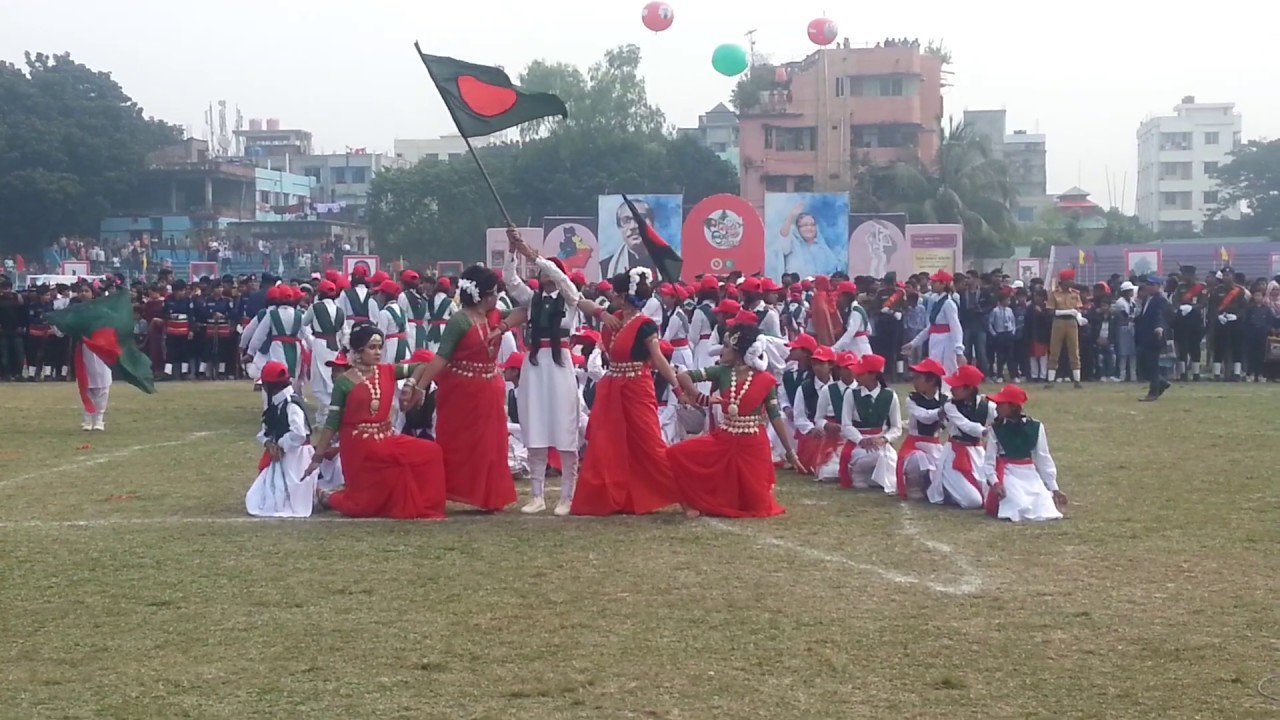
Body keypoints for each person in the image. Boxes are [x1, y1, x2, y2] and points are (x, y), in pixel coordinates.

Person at [506, 231, 620, 515]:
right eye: (541, 271)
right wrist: (512, 252)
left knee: (565, 428)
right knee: (535, 427)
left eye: (549, 270)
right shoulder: (532, 300)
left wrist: (534, 256)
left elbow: (564, 280)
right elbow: (510, 281)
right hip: (535, 366)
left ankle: (567, 496)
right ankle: (536, 496)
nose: (544, 275)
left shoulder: (570, 298)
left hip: (560, 365)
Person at [571, 267, 687, 516]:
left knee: (649, 442)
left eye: (614, 293)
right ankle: (616, 495)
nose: (611, 296)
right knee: (607, 442)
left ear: (624, 296)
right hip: (613, 387)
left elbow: (658, 359)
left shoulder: (644, 325)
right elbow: (581, 303)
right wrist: (602, 314)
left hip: (636, 387)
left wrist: (677, 388)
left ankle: (683, 497)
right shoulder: (614, 315)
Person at [401, 265, 517, 512]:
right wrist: (420, 387)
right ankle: (457, 490)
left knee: (491, 444)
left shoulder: (494, 316)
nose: (497, 297)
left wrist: (503, 328)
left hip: (489, 389)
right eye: (494, 293)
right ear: (483, 295)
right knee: (460, 443)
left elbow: (523, 312)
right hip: (462, 391)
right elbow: (441, 358)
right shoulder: (459, 320)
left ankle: (488, 496)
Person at [305, 325, 447, 519]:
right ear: (358, 351)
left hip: (385, 438)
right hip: (359, 446)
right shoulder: (345, 382)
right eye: (372, 347)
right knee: (362, 507)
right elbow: (333, 421)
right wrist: (317, 456)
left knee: (431, 452)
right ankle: (327, 497)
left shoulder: (386, 371)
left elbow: (422, 366)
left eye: (380, 347)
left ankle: (424, 504)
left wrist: (410, 385)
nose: (378, 352)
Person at [669, 321, 803, 518]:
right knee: (675, 453)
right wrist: (701, 397)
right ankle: (688, 503)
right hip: (725, 438)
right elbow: (683, 377)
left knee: (757, 506)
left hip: (752, 445)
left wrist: (791, 453)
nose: (722, 351)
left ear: (739, 351)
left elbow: (775, 416)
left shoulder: (765, 380)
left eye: (726, 347)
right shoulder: (723, 372)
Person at [981, 384, 1067, 523]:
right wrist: (995, 482)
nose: (996, 407)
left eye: (1000, 404)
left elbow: (1043, 458)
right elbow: (989, 462)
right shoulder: (995, 430)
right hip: (1008, 473)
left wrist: (1054, 488)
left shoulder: (1036, 427)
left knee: (1043, 504)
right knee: (1018, 504)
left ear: (1012, 406)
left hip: (1029, 473)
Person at [246, 361, 316, 518]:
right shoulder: (275, 405)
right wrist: (269, 444)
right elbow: (264, 432)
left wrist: (281, 445)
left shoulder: (291, 404)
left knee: (285, 499)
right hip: (281, 456)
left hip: (297, 456)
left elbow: (299, 434)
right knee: (259, 496)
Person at [932, 364, 993, 509]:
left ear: (969, 389)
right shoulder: (950, 406)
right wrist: (985, 431)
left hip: (977, 454)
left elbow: (1001, 419)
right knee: (973, 502)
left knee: (989, 495)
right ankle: (946, 487)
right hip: (954, 454)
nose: (952, 389)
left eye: (956, 386)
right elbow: (964, 425)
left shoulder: (987, 406)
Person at [840, 353, 901, 493]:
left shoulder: (890, 395)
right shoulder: (851, 394)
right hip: (857, 442)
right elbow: (846, 425)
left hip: (879, 442)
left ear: (873, 375)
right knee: (872, 457)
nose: (856, 375)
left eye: (861, 372)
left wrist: (883, 439)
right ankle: (858, 474)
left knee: (887, 457)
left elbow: (896, 427)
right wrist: (861, 440)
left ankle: (873, 478)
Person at [897, 358, 947, 500]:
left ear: (931, 381)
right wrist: (942, 412)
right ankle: (913, 486)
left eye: (919, 377)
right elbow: (923, 416)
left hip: (935, 445)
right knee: (917, 460)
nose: (914, 381)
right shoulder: (912, 399)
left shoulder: (945, 400)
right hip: (914, 444)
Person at [903, 270, 965, 375]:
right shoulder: (936, 301)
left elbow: (956, 327)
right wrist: (914, 343)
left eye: (935, 282)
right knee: (935, 371)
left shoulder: (948, 303)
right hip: (936, 340)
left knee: (947, 371)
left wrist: (959, 350)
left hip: (946, 342)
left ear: (943, 284)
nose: (932, 283)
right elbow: (930, 328)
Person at [303, 280, 345, 426]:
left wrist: (309, 340)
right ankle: (322, 415)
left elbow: (303, 324)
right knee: (331, 378)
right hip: (335, 344)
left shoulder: (315, 307)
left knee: (320, 380)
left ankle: (328, 413)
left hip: (320, 343)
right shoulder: (340, 309)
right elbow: (344, 331)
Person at [1045, 268, 1084, 388]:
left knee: (1074, 351)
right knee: (1054, 351)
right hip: (1058, 323)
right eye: (1070, 279)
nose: (1072, 282)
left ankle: (1077, 380)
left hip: (1072, 323)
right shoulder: (1054, 293)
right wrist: (1068, 311)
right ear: (1064, 281)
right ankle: (1050, 380)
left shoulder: (1075, 294)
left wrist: (1079, 317)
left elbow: (1078, 309)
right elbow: (1050, 311)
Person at [1136, 274, 1172, 401]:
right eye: (1147, 284)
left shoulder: (1160, 300)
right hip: (1145, 337)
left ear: (1159, 286)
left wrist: (1159, 327)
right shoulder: (1147, 299)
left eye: (1152, 284)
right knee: (1144, 365)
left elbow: (1160, 315)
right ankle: (1161, 382)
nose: (1148, 286)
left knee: (1152, 366)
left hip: (1154, 337)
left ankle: (1153, 392)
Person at [1208, 267, 1248, 381]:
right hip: (1221, 322)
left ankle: (1236, 373)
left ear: (1233, 276)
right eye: (1224, 275)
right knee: (1219, 347)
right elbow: (1212, 307)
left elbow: (1244, 308)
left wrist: (1236, 316)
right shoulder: (1216, 291)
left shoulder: (1239, 291)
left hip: (1235, 323)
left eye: (1228, 275)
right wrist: (1218, 316)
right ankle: (1217, 373)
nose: (1226, 277)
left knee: (1237, 348)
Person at [601, 198, 656, 277]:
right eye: (626, 220)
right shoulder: (605, 268)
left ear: (652, 222)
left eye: (639, 218)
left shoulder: (668, 263)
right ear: (619, 226)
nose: (633, 226)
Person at [500, 351, 530, 477]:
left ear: (515, 371)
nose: (503, 371)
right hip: (519, 435)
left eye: (507, 369)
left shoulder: (529, 392)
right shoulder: (513, 392)